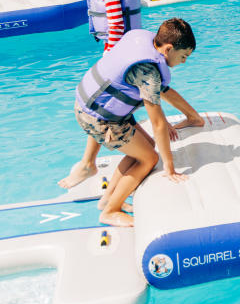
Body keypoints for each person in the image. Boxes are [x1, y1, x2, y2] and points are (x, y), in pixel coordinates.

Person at [73, 18, 205, 227]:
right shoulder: (149, 72)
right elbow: (158, 124)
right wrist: (169, 168)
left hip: (91, 106)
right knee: (149, 158)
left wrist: (191, 117)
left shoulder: (142, 39)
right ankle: (110, 211)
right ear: (168, 48)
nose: (184, 61)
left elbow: (161, 94)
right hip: (100, 119)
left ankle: (109, 198)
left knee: (144, 148)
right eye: (183, 56)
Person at [59, 0, 143, 189]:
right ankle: (88, 163)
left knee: (100, 106)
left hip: (117, 55)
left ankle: (88, 164)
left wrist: (108, 61)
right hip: (127, 51)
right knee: (113, 106)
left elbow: (116, 25)